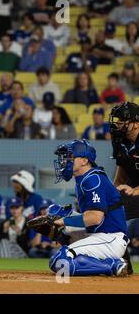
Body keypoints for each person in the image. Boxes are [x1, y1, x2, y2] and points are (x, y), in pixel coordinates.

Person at [49, 139, 130, 276]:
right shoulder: (84, 179)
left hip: (110, 238)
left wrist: (64, 221)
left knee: (59, 260)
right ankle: (113, 264)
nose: (64, 160)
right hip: (100, 236)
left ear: (84, 161)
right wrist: (58, 220)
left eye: (70, 156)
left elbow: (95, 218)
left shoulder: (93, 179)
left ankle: (113, 265)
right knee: (56, 212)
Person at [110, 102, 139, 220]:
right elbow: (120, 179)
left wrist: (134, 190)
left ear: (136, 123)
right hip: (134, 192)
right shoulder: (122, 143)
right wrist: (111, 193)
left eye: (123, 119)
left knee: (120, 208)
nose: (118, 122)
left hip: (136, 193)